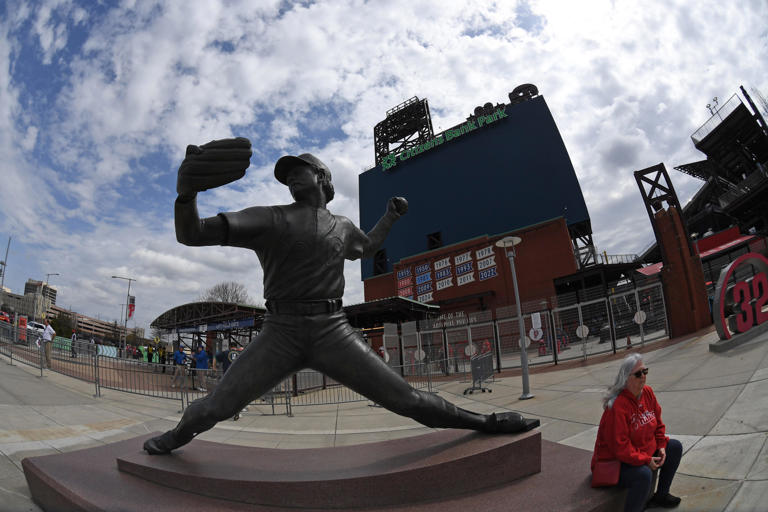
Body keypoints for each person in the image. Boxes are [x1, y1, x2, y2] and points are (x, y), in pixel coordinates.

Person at [144, 140, 538, 455]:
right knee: (217, 406)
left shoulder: (343, 226)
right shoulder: (271, 217)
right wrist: (186, 195)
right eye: (288, 177)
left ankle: (486, 423)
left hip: (333, 329)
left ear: (321, 176)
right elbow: (192, 233)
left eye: (299, 171)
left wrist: (390, 217)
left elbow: (366, 248)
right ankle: (175, 437)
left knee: (407, 399)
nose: (292, 179)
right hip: (281, 330)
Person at [591, 353, 682, 511]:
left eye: (645, 371)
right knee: (643, 475)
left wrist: (661, 446)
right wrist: (646, 459)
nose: (643, 377)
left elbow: (658, 424)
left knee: (673, 447)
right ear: (626, 378)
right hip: (616, 461)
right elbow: (620, 448)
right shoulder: (617, 407)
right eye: (638, 374)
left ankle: (660, 496)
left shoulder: (647, 392)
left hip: (639, 452)